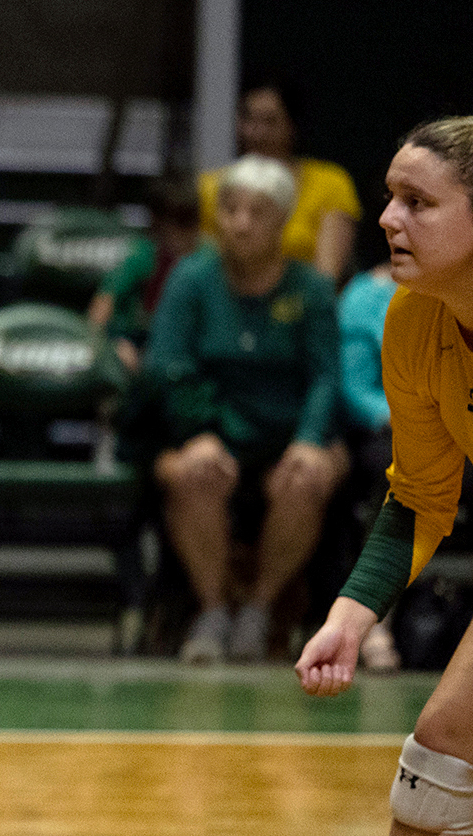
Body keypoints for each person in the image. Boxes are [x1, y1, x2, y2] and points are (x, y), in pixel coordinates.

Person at [273, 118, 473, 836]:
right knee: (443, 747)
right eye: (391, 195)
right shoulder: (414, 320)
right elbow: (424, 495)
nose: (389, 217)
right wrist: (351, 614)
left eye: (420, 202)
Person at [147, 154, 344, 664]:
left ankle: (258, 609)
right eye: (230, 209)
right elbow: (167, 366)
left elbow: (325, 375)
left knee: (306, 478)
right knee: (195, 472)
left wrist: (308, 438)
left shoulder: (313, 291)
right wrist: (200, 430)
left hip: (286, 431)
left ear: (282, 220)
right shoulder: (191, 278)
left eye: (256, 212)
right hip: (213, 428)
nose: (240, 222)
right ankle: (212, 612)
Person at [198, 78, 361, 281]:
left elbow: (326, 278)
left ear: (291, 125)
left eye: (270, 121)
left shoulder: (330, 183)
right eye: (248, 119)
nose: (256, 132)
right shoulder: (211, 185)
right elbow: (204, 267)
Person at [337, 262, 402, 672]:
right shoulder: (365, 295)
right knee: (395, 470)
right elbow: (354, 384)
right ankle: (374, 624)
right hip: (392, 429)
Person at [87, 177, 202, 373]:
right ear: (158, 224)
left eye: (191, 223)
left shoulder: (206, 259)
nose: (184, 234)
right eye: (178, 223)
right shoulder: (142, 255)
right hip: (134, 346)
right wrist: (110, 348)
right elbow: (98, 313)